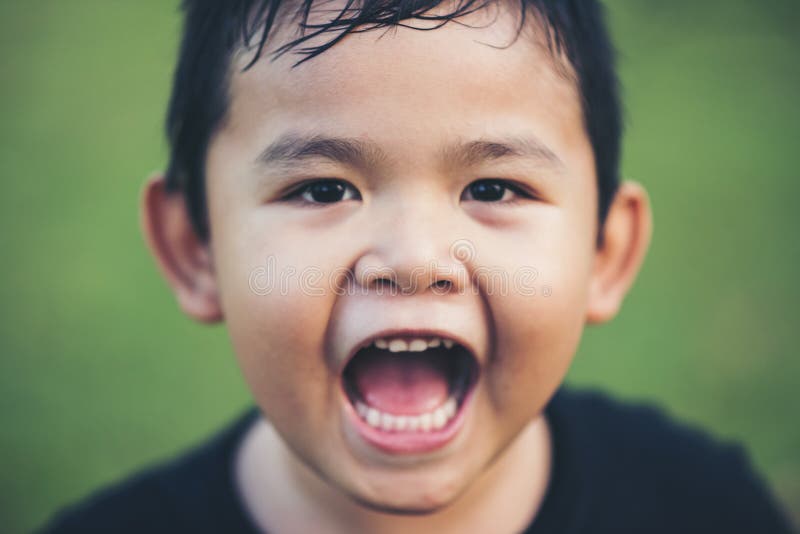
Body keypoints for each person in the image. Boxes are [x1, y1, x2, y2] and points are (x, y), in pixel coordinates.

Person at [41, 0, 795, 532]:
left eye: (494, 188)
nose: (413, 260)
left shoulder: (701, 507)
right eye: (322, 188)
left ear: (605, 250)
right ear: (194, 249)